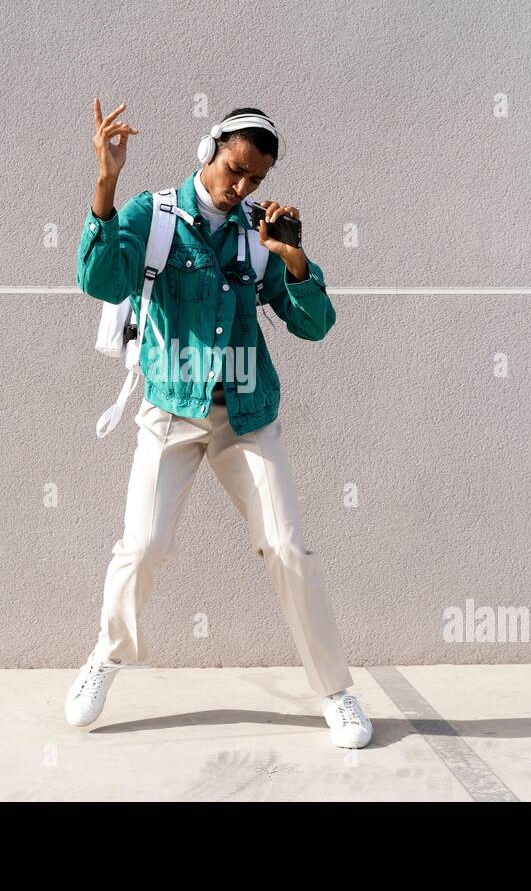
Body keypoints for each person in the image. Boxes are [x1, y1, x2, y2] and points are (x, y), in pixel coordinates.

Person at [65, 99, 371, 749]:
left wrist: (292, 257)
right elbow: (97, 278)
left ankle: (336, 692)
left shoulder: (258, 232)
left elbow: (315, 326)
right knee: (142, 547)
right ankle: (107, 656)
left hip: (247, 414)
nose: (241, 188)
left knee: (288, 547)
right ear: (208, 152)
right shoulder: (155, 215)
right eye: (235, 170)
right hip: (171, 407)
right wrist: (106, 181)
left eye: (254, 180)